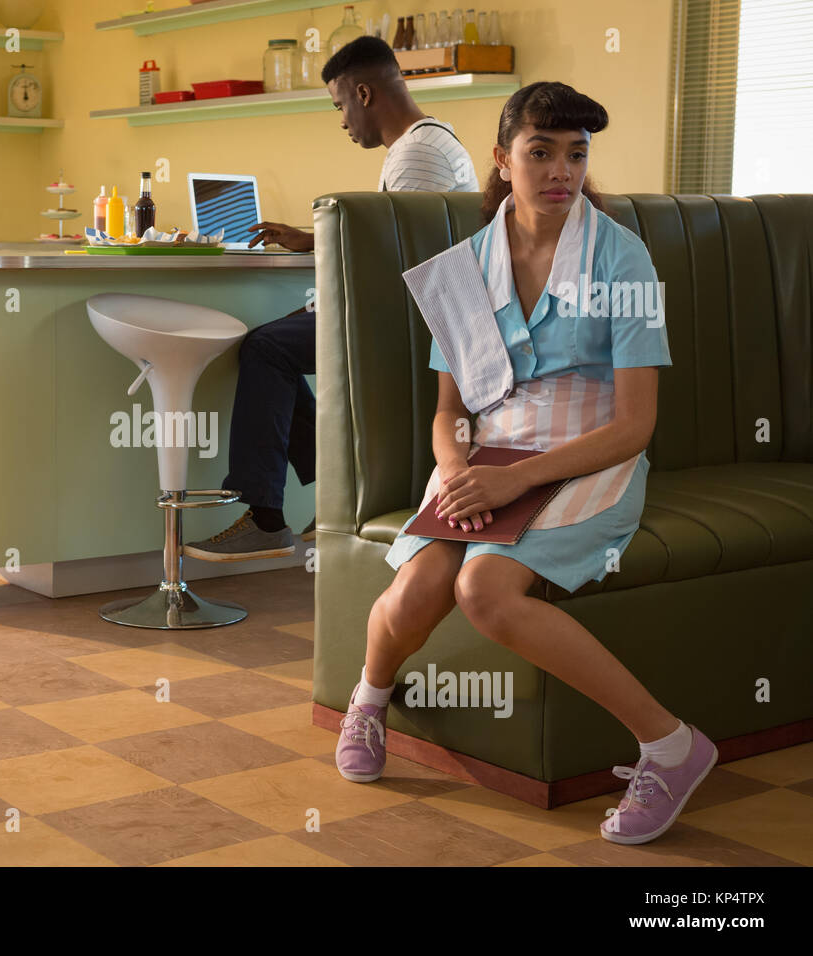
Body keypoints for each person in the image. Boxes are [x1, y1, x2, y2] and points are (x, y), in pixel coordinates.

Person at [335, 81, 718, 845]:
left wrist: (517, 479)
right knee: (419, 590)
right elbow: (450, 414)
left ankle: (672, 747)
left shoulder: (625, 258)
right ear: (503, 161)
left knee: (483, 587)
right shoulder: (461, 271)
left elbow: (635, 425)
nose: (560, 171)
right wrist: (454, 472)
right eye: (539, 151)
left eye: (575, 154)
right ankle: (369, 699)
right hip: (487, 460)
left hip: (592, 457)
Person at [184, 35, 479, 562]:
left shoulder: (415, 156)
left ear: (364, 93)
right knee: (275, 344)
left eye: (340, 104)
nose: (342, 120)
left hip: (409, 322)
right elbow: (399, 240)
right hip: (416, 314)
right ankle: (335, 489)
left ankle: (271, 514)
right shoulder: (432, 143)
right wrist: (313, 239)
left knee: (267, 348)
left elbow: (399, 266)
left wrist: (326, 295)